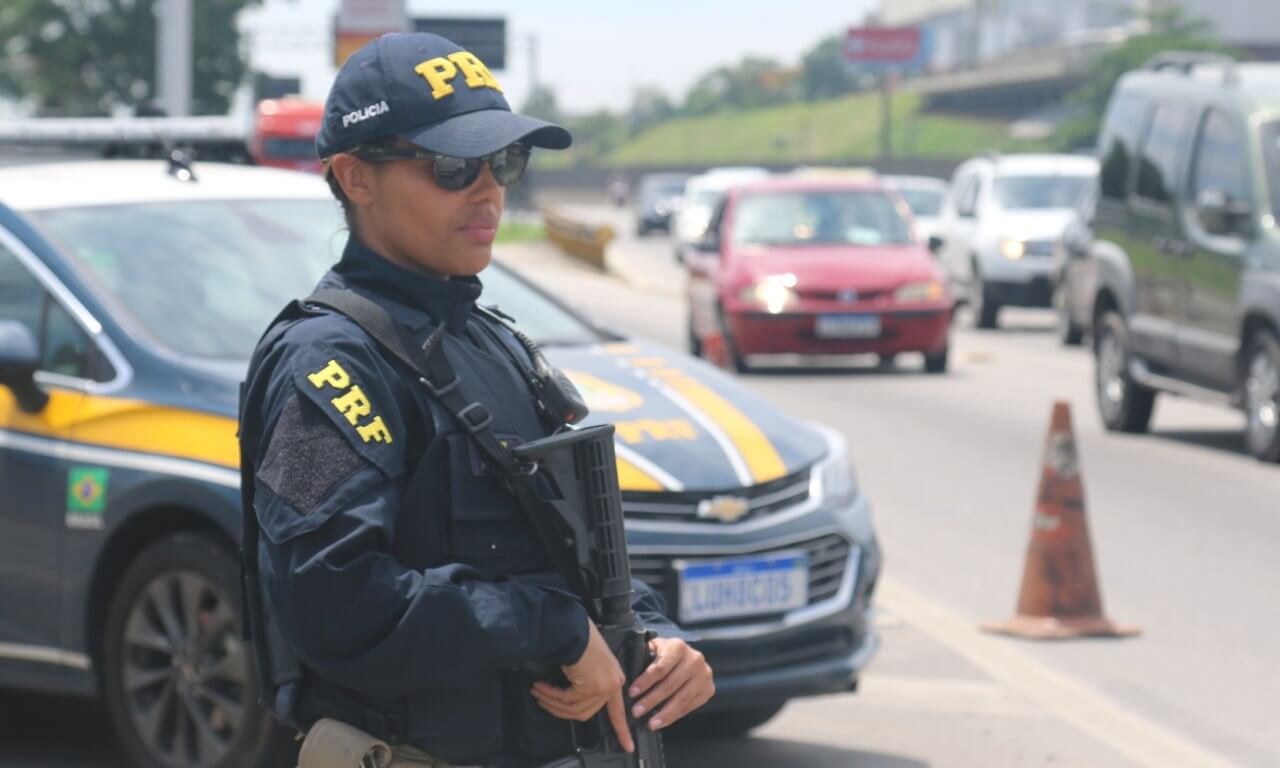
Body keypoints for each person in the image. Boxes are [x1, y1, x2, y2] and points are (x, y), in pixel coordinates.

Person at [238, 32, 714, 767]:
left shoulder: (488, 339)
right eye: (452, 167)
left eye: (505, 162)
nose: (488, 190)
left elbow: (562, 546)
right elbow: (332, 599)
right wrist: (549, 628)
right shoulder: (328, 364)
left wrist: (655, 638)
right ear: (355, 177)